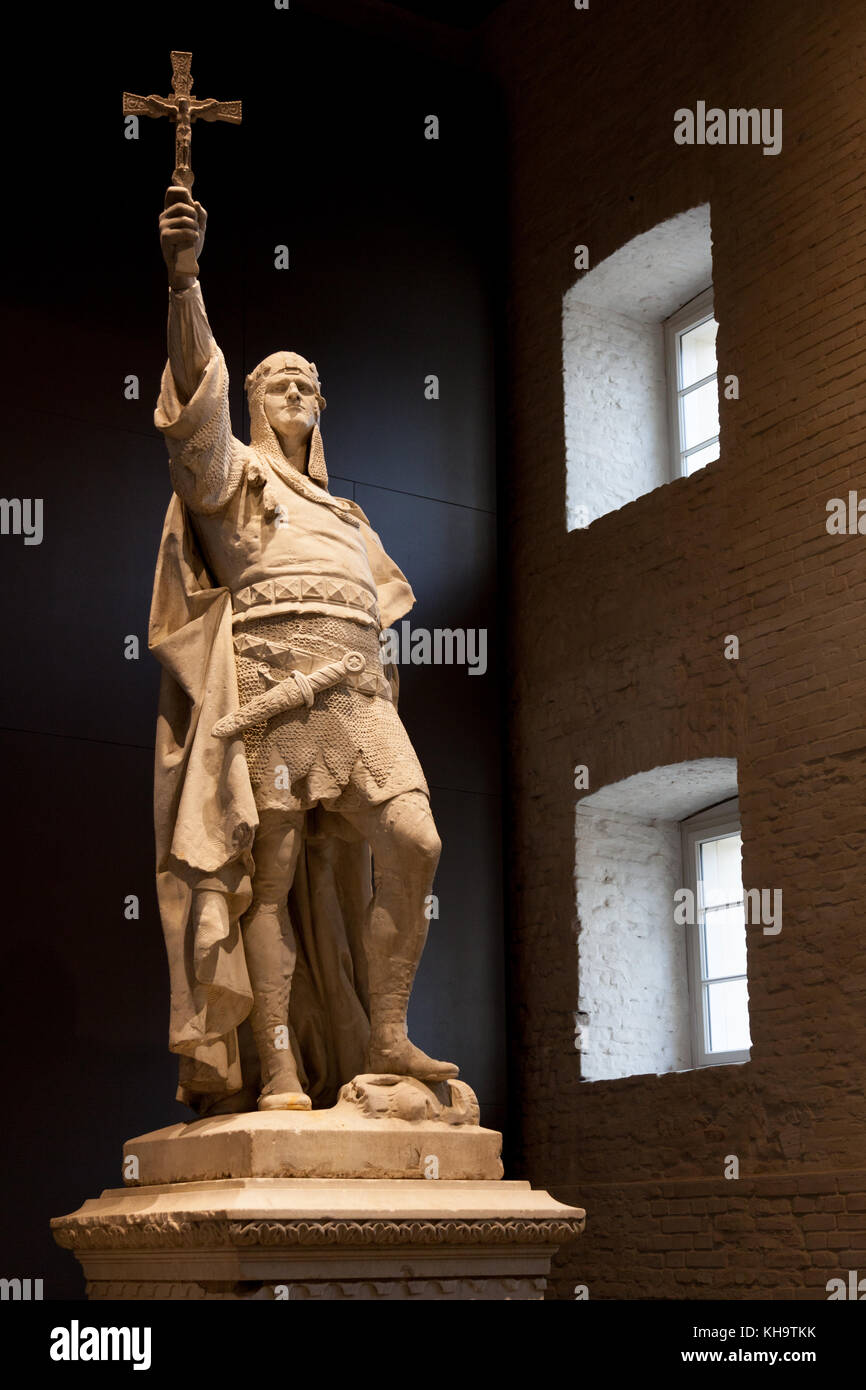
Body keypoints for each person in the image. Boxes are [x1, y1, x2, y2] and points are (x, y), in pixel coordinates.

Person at [149, 185, 457, 1116]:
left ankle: (388, 1030)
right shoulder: (236, 478)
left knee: (415, 839)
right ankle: (278, 1064)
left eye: (306, 381)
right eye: (275, 380)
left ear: (323, 404)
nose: (292, 389)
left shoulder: (346, 513)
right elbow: (193, 415)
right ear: (252, 399)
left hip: (358, 700)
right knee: (268, 884)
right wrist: (185, 282)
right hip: (274, 692)